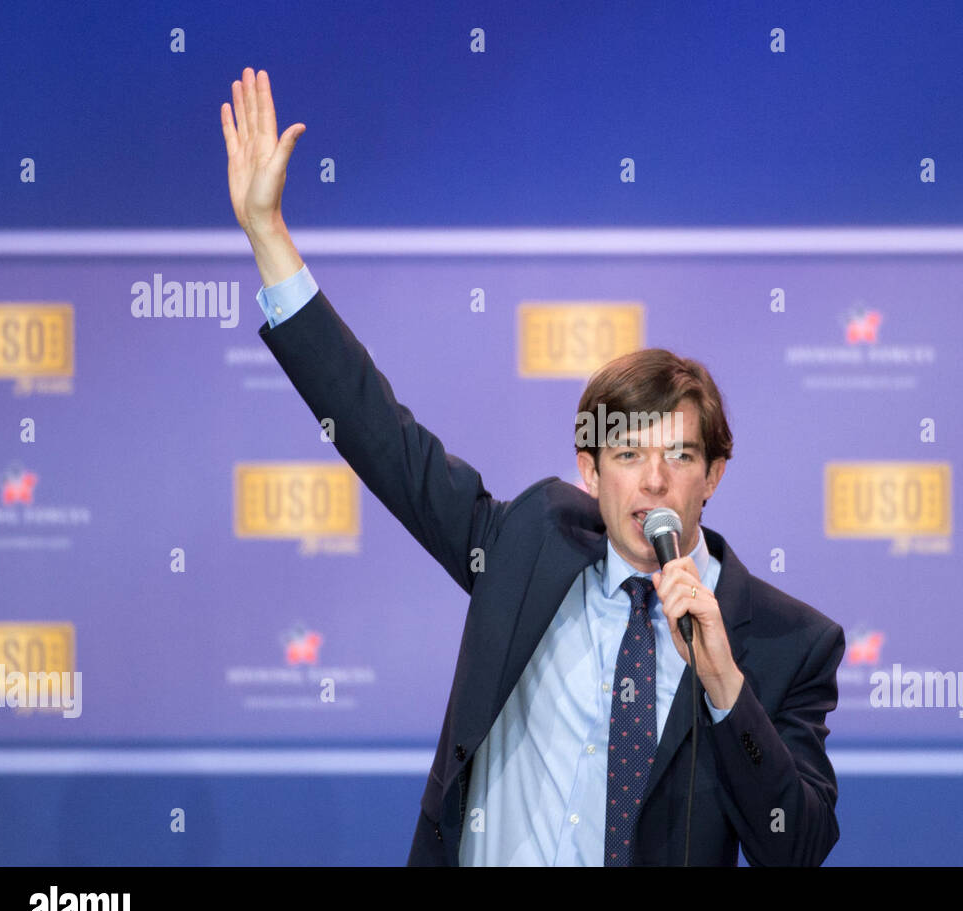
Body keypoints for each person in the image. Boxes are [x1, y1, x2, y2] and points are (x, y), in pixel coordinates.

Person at [222, 67, 845, 866]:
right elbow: (383, 439)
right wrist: (269, 237)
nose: (653, 480)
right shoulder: (526, 546)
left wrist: (725, 684)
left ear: (713, 474)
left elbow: (797, 846)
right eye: (628, 453)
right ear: (590, 470)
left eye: (678, 456)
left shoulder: (789, 642)